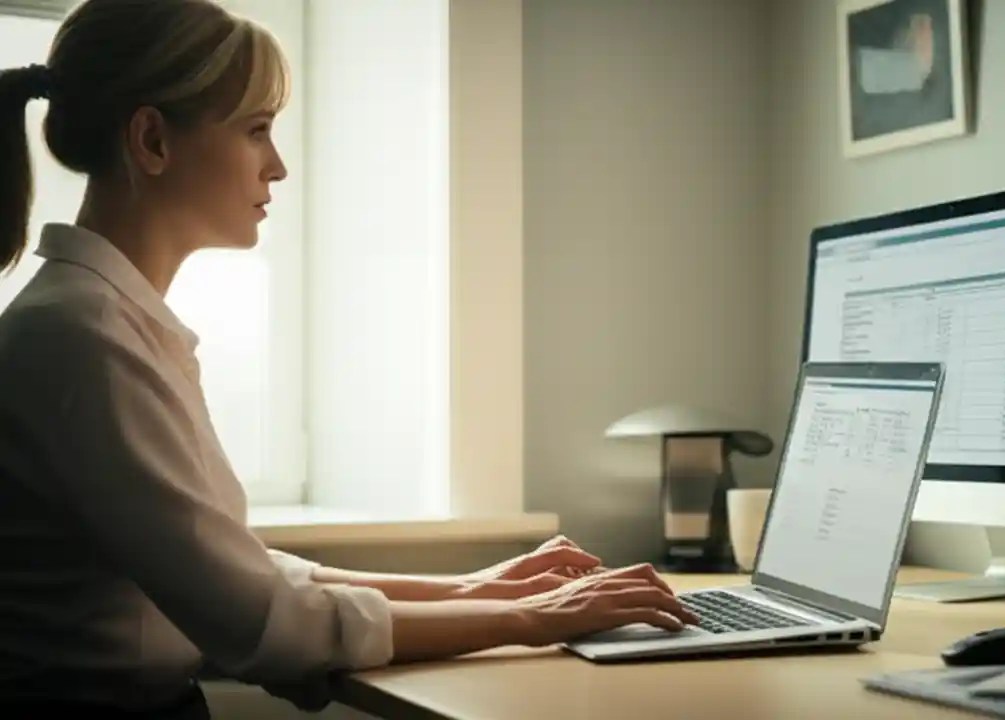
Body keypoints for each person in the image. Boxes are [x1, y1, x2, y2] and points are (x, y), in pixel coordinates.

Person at [0, 0, 695, 716]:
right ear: (152, 140)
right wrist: (537, 618)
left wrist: (485, 588)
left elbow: (239, 573)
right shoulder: (80, 340)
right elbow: (261, 620)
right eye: (257, 130)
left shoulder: (101, 323)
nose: (278, 166)